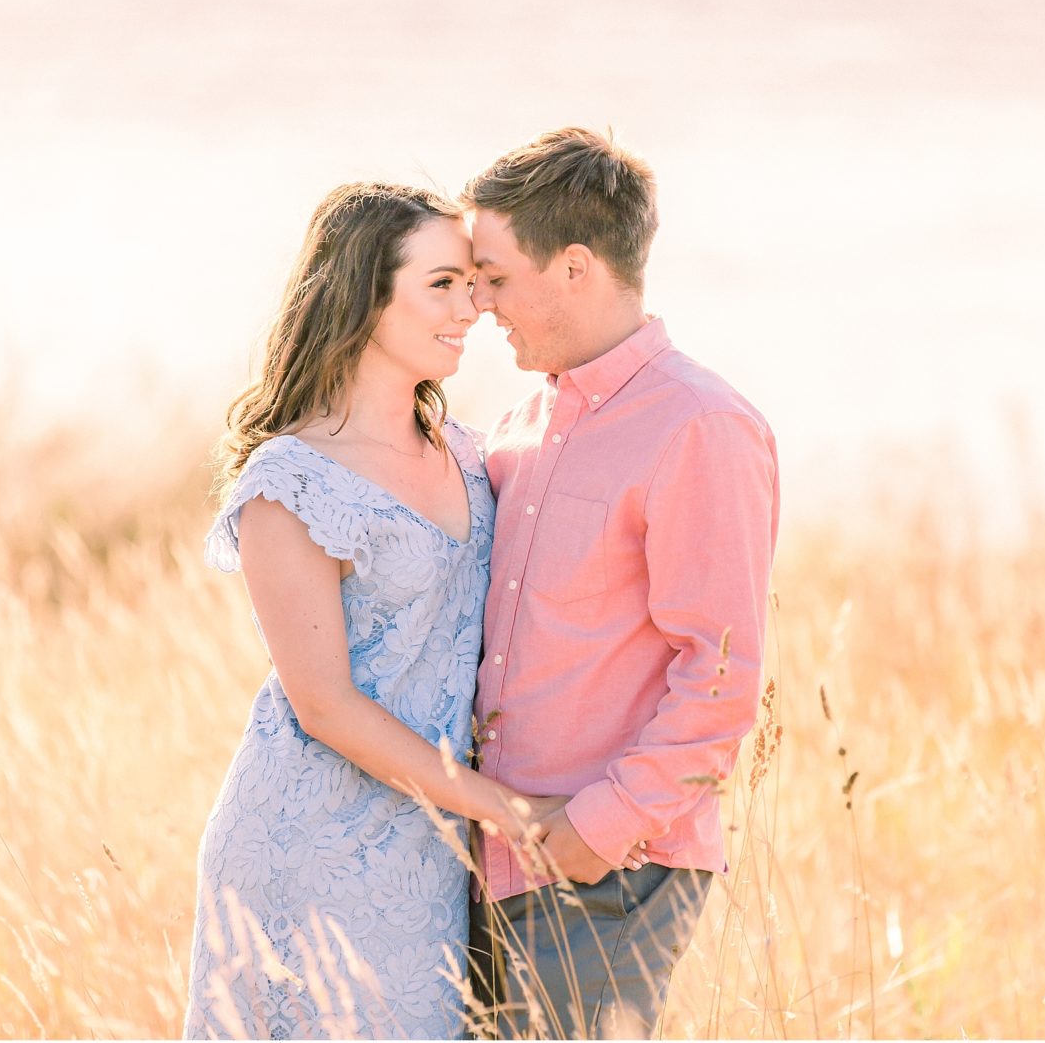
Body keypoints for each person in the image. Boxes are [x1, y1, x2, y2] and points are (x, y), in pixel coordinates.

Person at [182, 180, 648, 1041]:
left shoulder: (469, 452)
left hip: (432, 849)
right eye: (443, 283)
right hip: (308, 843)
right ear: (363, 294)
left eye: (473, 281)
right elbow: (323, 707)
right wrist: (504, 808)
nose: (472, 305)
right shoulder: (288, 482)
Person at [461, 128, 781, 1039]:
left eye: (495, 275)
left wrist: (596, 830)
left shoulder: (701, 426)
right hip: (491, 862)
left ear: (573, 268)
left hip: (613, 872)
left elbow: (720, 677)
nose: (481, 303)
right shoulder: (520, 423)